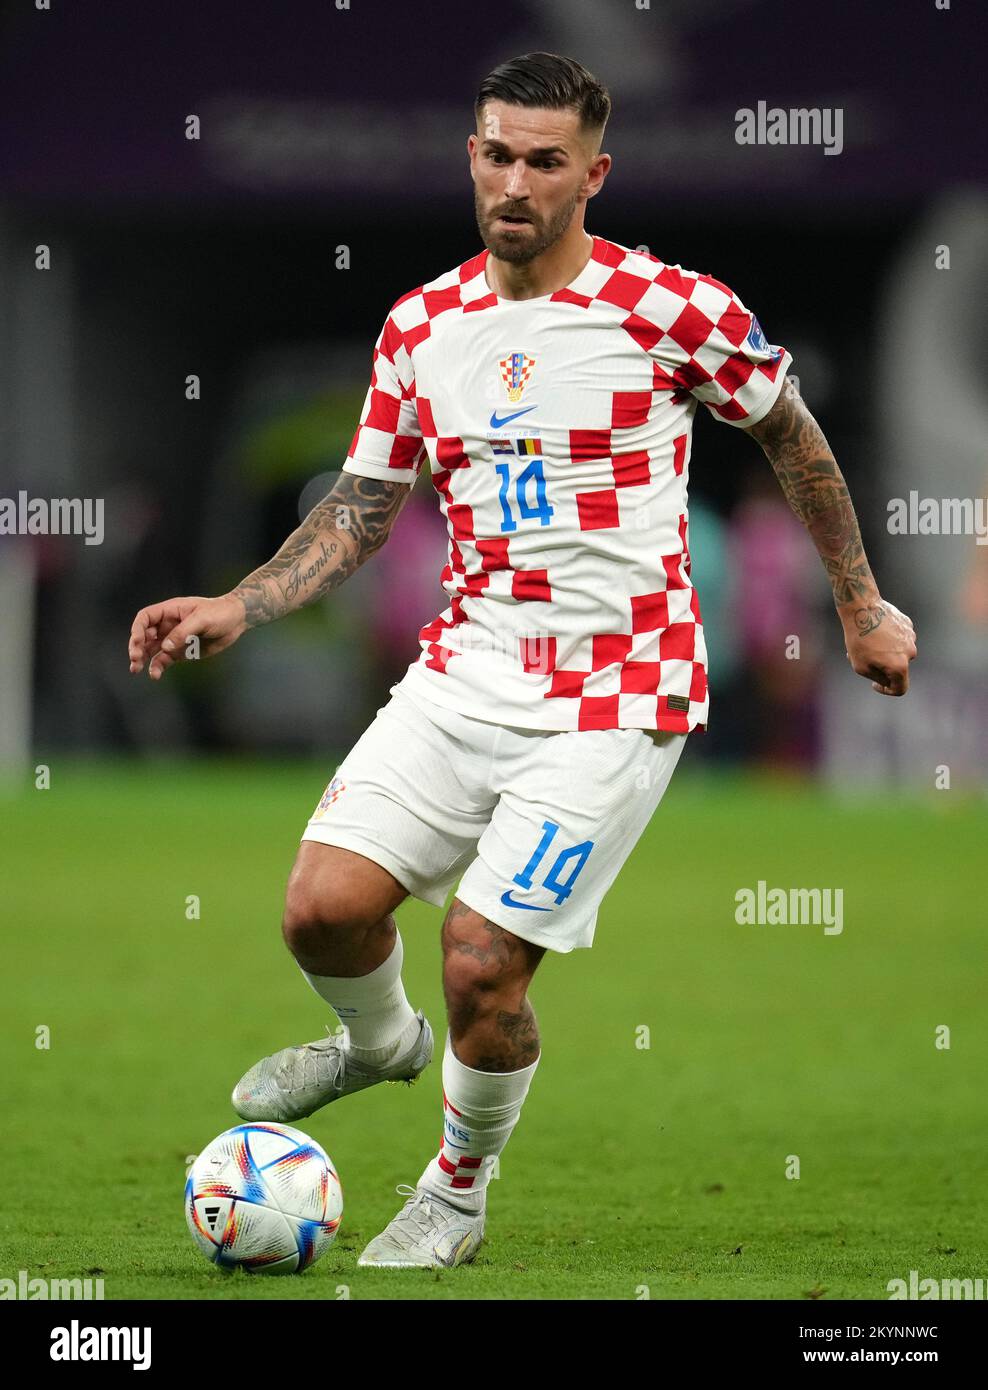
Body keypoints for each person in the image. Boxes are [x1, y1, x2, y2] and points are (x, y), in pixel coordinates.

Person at [127, 52, 917, 1269]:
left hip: (615, 693)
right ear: (471, 157)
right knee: (321, 913)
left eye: (545, 161)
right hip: (464, 670)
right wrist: (242, 601)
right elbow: (361, 506)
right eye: (497, 153)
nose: (516, 180)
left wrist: (860, 605)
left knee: (484, 965)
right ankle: (377, 1046)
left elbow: (792, 441)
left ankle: (455, 1186)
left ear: (592, 174)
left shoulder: (672, 309)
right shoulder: (422, 326)